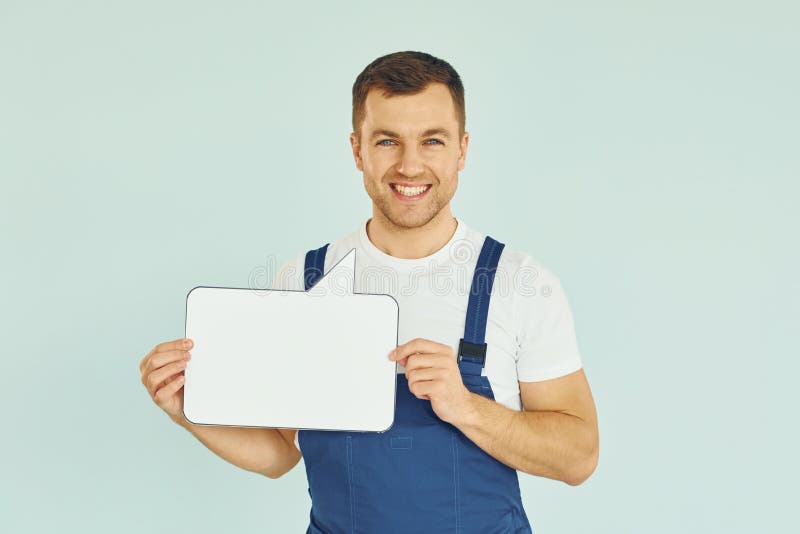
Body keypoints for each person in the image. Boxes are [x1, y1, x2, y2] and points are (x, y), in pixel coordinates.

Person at [139, 50, 599, 533]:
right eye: (387, 141)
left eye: (433, 141)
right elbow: (279, 454)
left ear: (462, 150)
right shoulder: (304, 280)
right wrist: (189, 409)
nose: (410, 165)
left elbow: (578, 457)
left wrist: (466, 407)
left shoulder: (520, 284)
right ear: (357, 150)